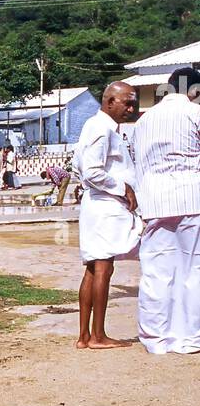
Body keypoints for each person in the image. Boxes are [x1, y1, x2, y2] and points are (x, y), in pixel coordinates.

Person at [132, 67, 200, 354]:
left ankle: (156, 340)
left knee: (156, 272)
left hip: (154, 202)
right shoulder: (195, 114)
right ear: (194, 91)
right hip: (192, 198)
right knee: (193, 270)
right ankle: (190, 339)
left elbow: (138, 161)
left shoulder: (144, 121)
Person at [72, 82, 142, 350]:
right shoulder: (101, 129)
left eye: (133, 103)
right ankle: (98, 336)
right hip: (104, 205)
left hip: (99, 205)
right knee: (102, 267)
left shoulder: (98, 127)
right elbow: (92, 171)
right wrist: (123, 187)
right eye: (127, 103)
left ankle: (84, 336)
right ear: (109, 102)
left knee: (93, 269)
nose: (131, 108)